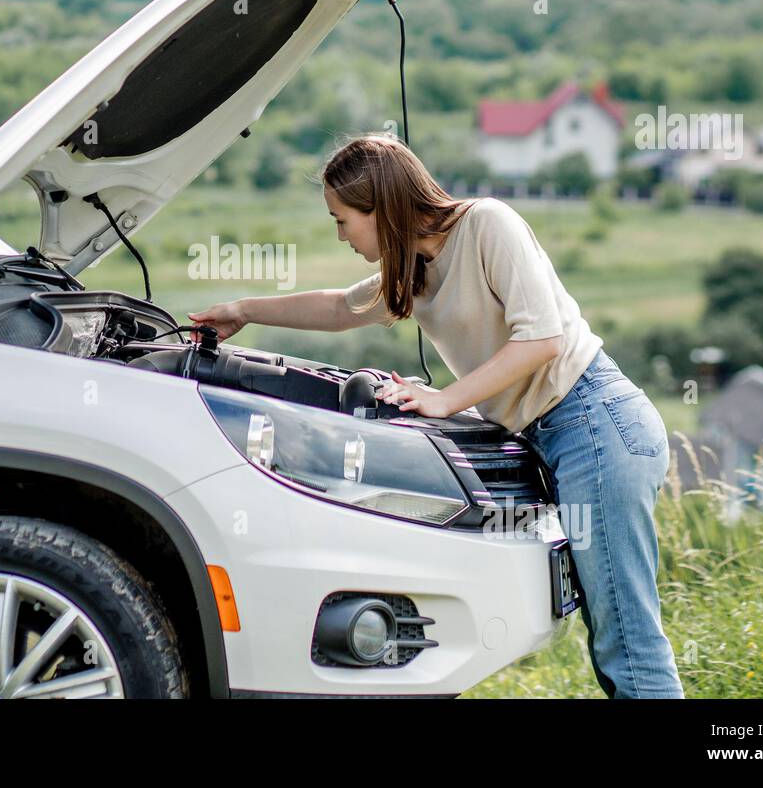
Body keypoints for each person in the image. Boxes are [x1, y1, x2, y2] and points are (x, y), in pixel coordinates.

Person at [187, 131, 685, 699]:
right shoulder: (414, 271)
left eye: (342, 218)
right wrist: (241, 311)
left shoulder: (487, 225)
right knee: (611, 636)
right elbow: (337, 307)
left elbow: (542, 339)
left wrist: (447, 399)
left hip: (596, 424)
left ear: (382, 208)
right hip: (552, 433)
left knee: (626, 638)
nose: (341, 233)